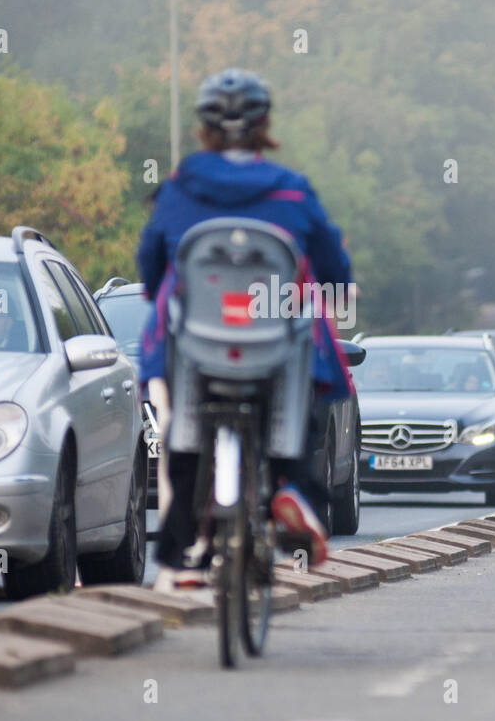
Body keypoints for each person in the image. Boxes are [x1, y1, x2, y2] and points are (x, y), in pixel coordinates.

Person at [136, 68, 352, 592]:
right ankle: (293, 489)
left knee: (184, 427)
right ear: (265, 126)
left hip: (198, 351)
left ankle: (185, 544)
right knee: (303, 386)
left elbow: (149, 264)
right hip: (273, 350)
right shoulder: (293, 193)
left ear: (204, 129)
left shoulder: (177, 190)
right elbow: (333, 268)